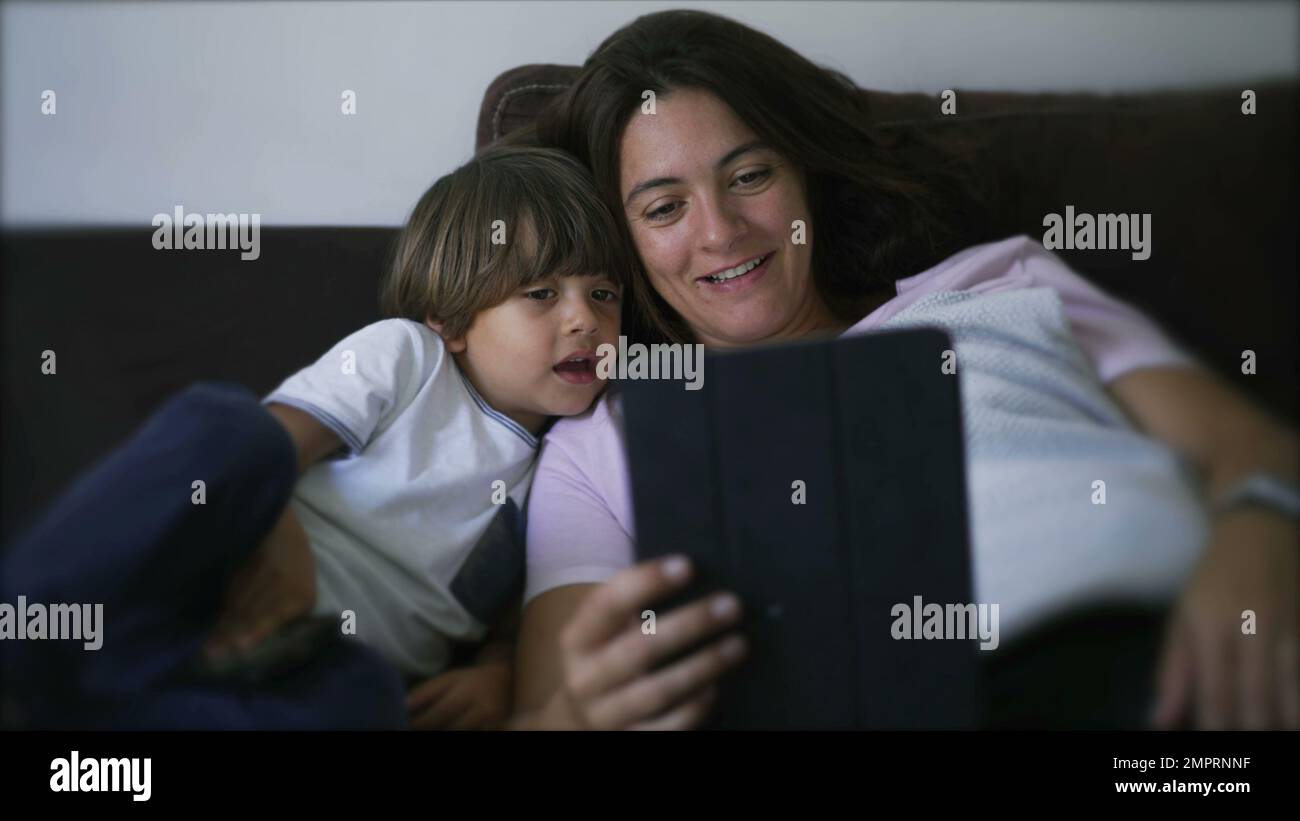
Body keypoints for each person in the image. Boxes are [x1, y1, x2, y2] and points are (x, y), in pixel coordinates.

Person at [506, 9, 1300, 730]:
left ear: (806, 175)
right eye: (664, 207)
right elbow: (549, 708)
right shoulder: (604, 436)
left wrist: (1259, 525)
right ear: (623, 240)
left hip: (1175, 682)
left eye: (750, 176)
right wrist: (583, 709)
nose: (721, 231)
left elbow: (1251, 449)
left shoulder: (1001, 282)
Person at [2, 144, 643, 730]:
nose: (584, 319)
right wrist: (277, 541)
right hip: (227, 572)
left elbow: (527, 612)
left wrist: (499, 674)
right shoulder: (411, 358)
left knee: (368, 698)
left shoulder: (575, 459)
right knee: (225, 423)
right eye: (540, 293)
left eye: (605, 293)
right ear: (450, 318)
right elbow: (273, 442)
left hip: (307, 665)